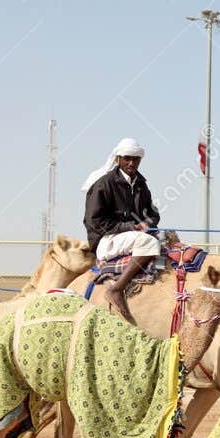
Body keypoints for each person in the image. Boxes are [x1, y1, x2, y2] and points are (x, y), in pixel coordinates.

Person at [83, 137, 161, 324]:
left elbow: (153, 214)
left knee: (167, 238)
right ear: (118, 158)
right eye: (127, 158)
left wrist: (147, 223)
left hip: (131, 237)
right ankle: (117, 288)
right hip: (106, 240)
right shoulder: (104, 184)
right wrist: (130, 227)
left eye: (135, 159)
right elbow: (94, 221)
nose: (131, 163)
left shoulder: (141, 184)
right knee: (149, 242)